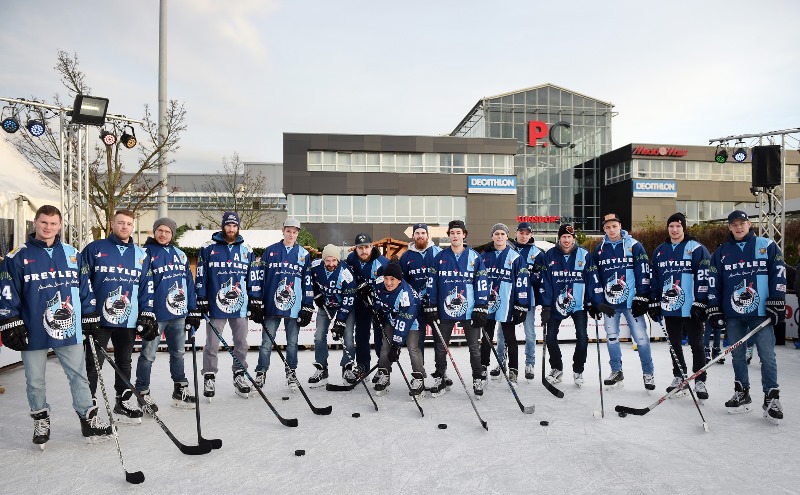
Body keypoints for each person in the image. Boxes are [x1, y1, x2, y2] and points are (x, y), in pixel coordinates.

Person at [0, 205, 112, 447]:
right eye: (43, 223)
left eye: (53, 223)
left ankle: (88, 418)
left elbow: (84, 287)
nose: (48, 227)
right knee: (35, 380)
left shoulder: (73, 254)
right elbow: (7, 292)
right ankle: (40, 418)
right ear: (35, 223)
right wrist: (9, 320)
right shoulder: (16, 256)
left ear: (60, 225)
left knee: (79, 375)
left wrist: (90, 312)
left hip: (69, 326)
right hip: (32, 328)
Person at [706, 210, 786, 423]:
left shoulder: (766, 245)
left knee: (767, 355)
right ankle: (742, 391)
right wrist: (714, 307)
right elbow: (713, 282)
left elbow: (778, 272)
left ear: (749, 224)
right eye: (734, 224)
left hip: (761, 313)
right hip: (734, 314)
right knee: (738, 355)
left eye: (742, 223)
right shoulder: (721, 252)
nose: (738, 227)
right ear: (729, 227)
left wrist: (777, 298)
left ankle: (771, 396)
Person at [83, 209, 155, 424]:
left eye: (129, 224)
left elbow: (145, 287)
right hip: (99, 320)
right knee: (93, 363)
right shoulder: (94, 249)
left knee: (124, 362)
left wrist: (146, 313)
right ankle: (89, 405)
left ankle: (122, 402)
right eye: (120, 223)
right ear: (111, 224)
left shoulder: (141, 255)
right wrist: (88, 311)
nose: (125, 227)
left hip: (128, 319)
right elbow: (83, 282)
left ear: (133, 226)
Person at [134, 217, 200, 411]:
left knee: (178, 353)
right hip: (155, 315)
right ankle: (142, 392)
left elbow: (188, 282)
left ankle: (180, 390)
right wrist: (145, 310)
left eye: (167, 231)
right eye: (160, 230)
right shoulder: (145, 253)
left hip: (178, 313)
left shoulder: (180, 254)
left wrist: (193, 308)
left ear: (172, 234)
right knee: (148, 355)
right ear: (154, 231)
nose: (163, 234)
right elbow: (142, 284)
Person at [648, 213, 711, 400]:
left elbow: (704, 275)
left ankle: (700, 379)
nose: (674, 230)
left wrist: (701, 301)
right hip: (670, 307)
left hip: (692, 307)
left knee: (697, 344)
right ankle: (679, 377)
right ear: (667, 228)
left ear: (684, 227)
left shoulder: (697, 248)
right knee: (674, 344)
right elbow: (655, 279)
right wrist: (654, 301)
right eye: (671, 226)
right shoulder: (660, 251)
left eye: (678, 226)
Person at [592, 212, 655, 390]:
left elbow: (643, 271)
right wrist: (597, 301)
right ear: (604, 229)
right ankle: (616, 371)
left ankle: (648, 373)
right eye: (607, 227)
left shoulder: (634, 245)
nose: (611, 230)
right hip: (610, 304)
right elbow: (595, 278)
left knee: (641, 339)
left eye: (614, 226)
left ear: (620, 226)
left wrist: (642, 296)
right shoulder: (599, 249)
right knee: (612, 339)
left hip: (631, 303)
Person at [196, 212, 256, 400]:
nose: (231, 229)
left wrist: (255, 299)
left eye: (234, 226)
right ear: (223, 226)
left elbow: (252, 278)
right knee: (212, 344)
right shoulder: (208, 248)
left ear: (238, 227)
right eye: (228, 225)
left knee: (241, 343)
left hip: (240, 305)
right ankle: (209, 375)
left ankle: (239, 374)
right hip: (215, 305)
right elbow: (201, 274)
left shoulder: (247, 249)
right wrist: (201, 297)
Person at [249, 218, 313, 392]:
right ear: (283, 231)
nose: (291, 234)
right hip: (271, 305)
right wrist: (257, 301)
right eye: (288, 231)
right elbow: (259, 278)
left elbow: (307, 281)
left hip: (293, 306)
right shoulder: (270, 251)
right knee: (266, 342)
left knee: (292, 342)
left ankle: (291, 372)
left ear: (298, 233)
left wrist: (308, 305)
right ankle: (261, 372)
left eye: (295, 232)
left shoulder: (303, 254)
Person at [427, 220, 489, 397]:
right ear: (449, 235)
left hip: (469, 310)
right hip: (445, 309)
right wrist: (431, 304)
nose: (455, 235)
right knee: (440, 346)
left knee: (474, 347)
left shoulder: (474, 257)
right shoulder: (439, 257)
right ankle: (440, 376)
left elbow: (482, 283)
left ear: (464, 234)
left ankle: (477, 377)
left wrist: (481, 306)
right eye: (452, 233)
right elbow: (432, 283)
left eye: (458, 232)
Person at [489, 222, 544, 382]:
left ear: (531, 235)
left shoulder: (537, 253)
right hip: (507, 298)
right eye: (521, 232)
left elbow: (539, 275)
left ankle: (530, 363)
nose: (524, 236)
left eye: (527, 233)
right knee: (501, 334)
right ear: (516, 233)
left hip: (528, 299)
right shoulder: (508, 248)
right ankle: (501, 362)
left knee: (530, 333)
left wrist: (526, 277)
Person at [541, 224, 594, 387]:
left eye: (569, 237)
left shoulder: (584, 255)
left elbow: (591, 279)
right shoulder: (549, 255)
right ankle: (557, 368)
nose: (566, 240)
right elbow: (546, 282)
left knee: (583, 338)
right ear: (559, 238)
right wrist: (547, 306)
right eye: (563, 237)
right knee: (550, 338)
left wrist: (593, 302)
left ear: (573, 238)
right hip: (556, 304)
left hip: (578, 304)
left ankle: (578, 370)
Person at [478, 223, 529, 386]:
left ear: (507, 237)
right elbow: (477, 279)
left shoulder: (515, 257)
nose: (499, 237)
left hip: (507, 304)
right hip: (488, 303)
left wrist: (521, 304)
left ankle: (513, 370)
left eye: (502, 234)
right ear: (492, 236)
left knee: (510, 338)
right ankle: (483, 367)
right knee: (486, 337)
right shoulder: (484, 256)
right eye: (496, 234)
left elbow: (522, 281)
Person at [309, 244, 357, 386]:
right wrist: (316, 294)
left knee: (347, 337)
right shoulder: (315, 266)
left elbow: (349, 299)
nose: (331, 264)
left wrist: (340, 322)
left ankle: (347, 368)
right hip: (326, 305)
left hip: (345, 306)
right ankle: (321, 368)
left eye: (334, 261)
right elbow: (308, 280)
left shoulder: (346, 273)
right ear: (323, 259)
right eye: (328, 261)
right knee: (319, 336)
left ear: (338, 260)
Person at [371, 262, 422, 396]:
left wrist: (397, 345)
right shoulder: (379, 283)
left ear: (399, 280)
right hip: (392, 319)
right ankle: (384, 373)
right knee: (385, 347)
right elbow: (377, 299)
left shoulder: (406, 296)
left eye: (392, 279)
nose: (388, 282)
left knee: (412, 348)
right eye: (386, 278)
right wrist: (377, 312)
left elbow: (404, 322)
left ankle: (418, 377)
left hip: (410, 322)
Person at [398, 223, 441, 377]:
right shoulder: (406, 256)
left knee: (439, 341)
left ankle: (441, 372)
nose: (420, 235)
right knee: (417, 342)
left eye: (423, 232)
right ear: (413, 236)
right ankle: (419, 372)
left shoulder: (438, 252)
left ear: (428, 235)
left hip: (435, 305)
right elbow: (402, 282)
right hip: (416, 307)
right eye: (417, 233)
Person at [345, 233, 388, 375]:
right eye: (360, 248)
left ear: (372, 246)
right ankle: (363, 365)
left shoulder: (382, 263)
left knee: (379, 336)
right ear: (355, 249)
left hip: (378, 305)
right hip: (361, 303)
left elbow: (389, 286)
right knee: (361, 335)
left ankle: (382, 366)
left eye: (366, 247)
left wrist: (375, 292)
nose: (364, 251)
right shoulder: (351, 259)